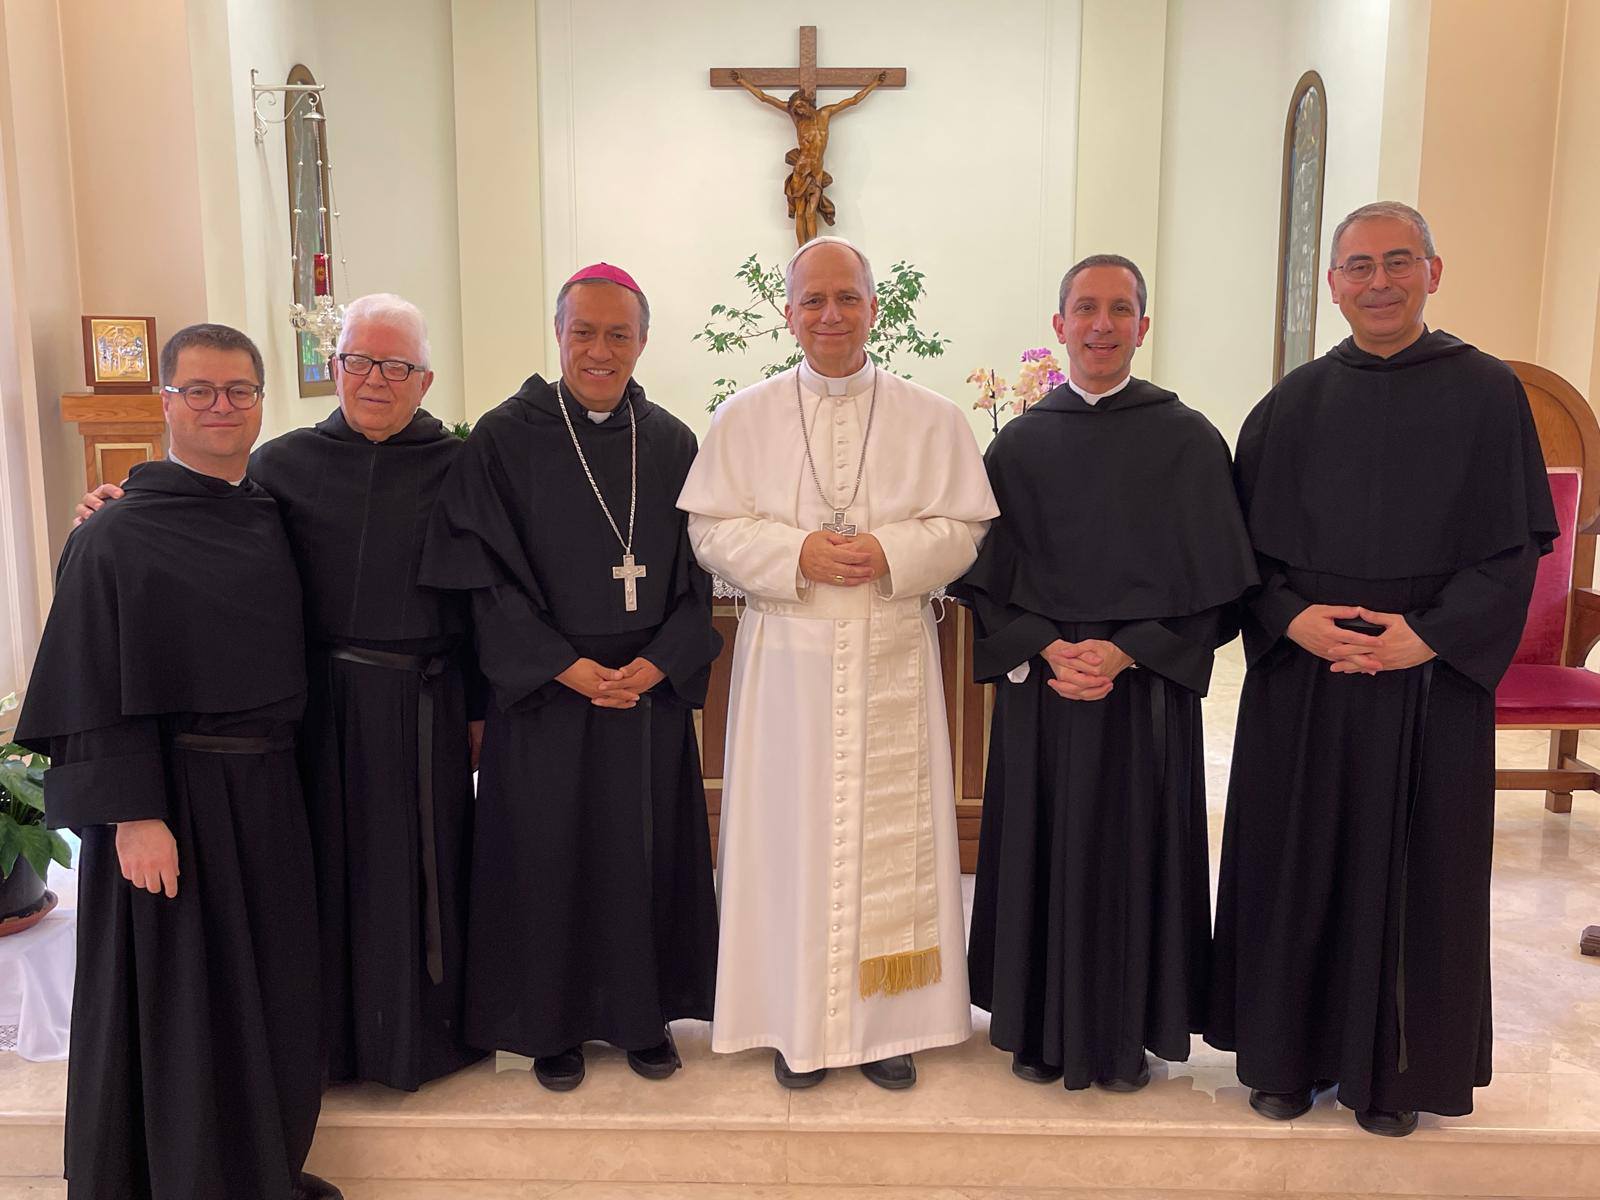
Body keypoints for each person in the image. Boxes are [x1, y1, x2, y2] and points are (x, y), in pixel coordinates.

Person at [1207, 202, 1558, 1136]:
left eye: (1398, 262)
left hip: (1428, 682)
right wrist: (1293, 620)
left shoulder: (1489, 395)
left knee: (1417, 873)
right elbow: (1241, 558)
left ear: (1434, 272)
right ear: (1333, 286)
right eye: (1358, 267)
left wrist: (1432, 636)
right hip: (1306, 678)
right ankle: (1283, 1058)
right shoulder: (1288, 405)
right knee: (1294, 862)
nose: (1379, 282)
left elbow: (1513, 551)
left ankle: (1394, 1074)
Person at [77, 294, 486, 1093]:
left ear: (426, 380)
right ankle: (320, 1049)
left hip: (420, 710)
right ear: (334, 369)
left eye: (396, 365)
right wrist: (116, 501)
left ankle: (418, 1045)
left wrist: (479, 713)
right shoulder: (281, 466)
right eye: (360, 361)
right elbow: (201, 519)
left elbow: (489, 599)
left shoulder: (463, 467)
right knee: (314, 878)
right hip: (309, 709)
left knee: (418, 876)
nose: (376, 379)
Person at [19, 324, 337, 1199]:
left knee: (265, 995)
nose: (220, 407)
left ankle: (259, 1169)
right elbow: (89, 675)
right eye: (198, 390)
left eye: (238, 390)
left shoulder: (273, 514)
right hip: (172, 804)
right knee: (180, 1007)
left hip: (270, 792)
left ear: (262, 402)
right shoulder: (115, 535)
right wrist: (131, 814)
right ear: (164, 402)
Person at [678, 235, 997, 1090]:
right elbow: (710, 528)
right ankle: (791, 1020)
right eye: (813, 300)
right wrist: (797, 554)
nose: (830, 315)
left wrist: (890, 551)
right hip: (787, 659)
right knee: (789, 839)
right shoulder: (741, 418)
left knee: (888, 843)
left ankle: (885, 1025)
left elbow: (964, 527)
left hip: (891, 647)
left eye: (846, 298)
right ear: (788, 313)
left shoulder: (934, 419)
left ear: (873, 309)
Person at [951, 254, 1257, 1092]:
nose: (1101, 325)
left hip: (1143, 695)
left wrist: (1125, 651)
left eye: (1119, 310)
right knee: (1043, 846)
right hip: (1046, 697)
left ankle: (1129, 1031)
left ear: (1142, 328)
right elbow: (983, 584)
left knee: (1135, 855)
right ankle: (1037, 1028)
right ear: (1058, 327)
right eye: (1085, 309)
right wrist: (1050, 646)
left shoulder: (1189, 440)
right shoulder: (1017, 444)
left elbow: (1219, 593)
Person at [419, 263, 721, 1091]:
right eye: (583, 331)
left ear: (643, 341)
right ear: (558, 335)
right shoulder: (503, 437)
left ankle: (643, 1017)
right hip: (546, 692)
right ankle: (547, 1025)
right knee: (545, 855)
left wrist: (655, 665)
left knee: (642, 854)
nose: (599, 349)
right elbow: (482, 575)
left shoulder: (671, 442)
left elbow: (700, 580)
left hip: (646, 692)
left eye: (618, 334)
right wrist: (565, 667)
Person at [730, 71, 887, 245]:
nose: (798, 110)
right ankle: (800, 252)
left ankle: (811, 250)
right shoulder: (798, 121)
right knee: (800, 213)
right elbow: (765, 98)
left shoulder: (825, 114)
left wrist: (874, 84)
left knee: (811, 213)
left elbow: (854, 100)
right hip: (801, 170)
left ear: (807, 102)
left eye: (800, 106)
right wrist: (743, 81)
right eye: (795, 108)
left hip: (817, 171)